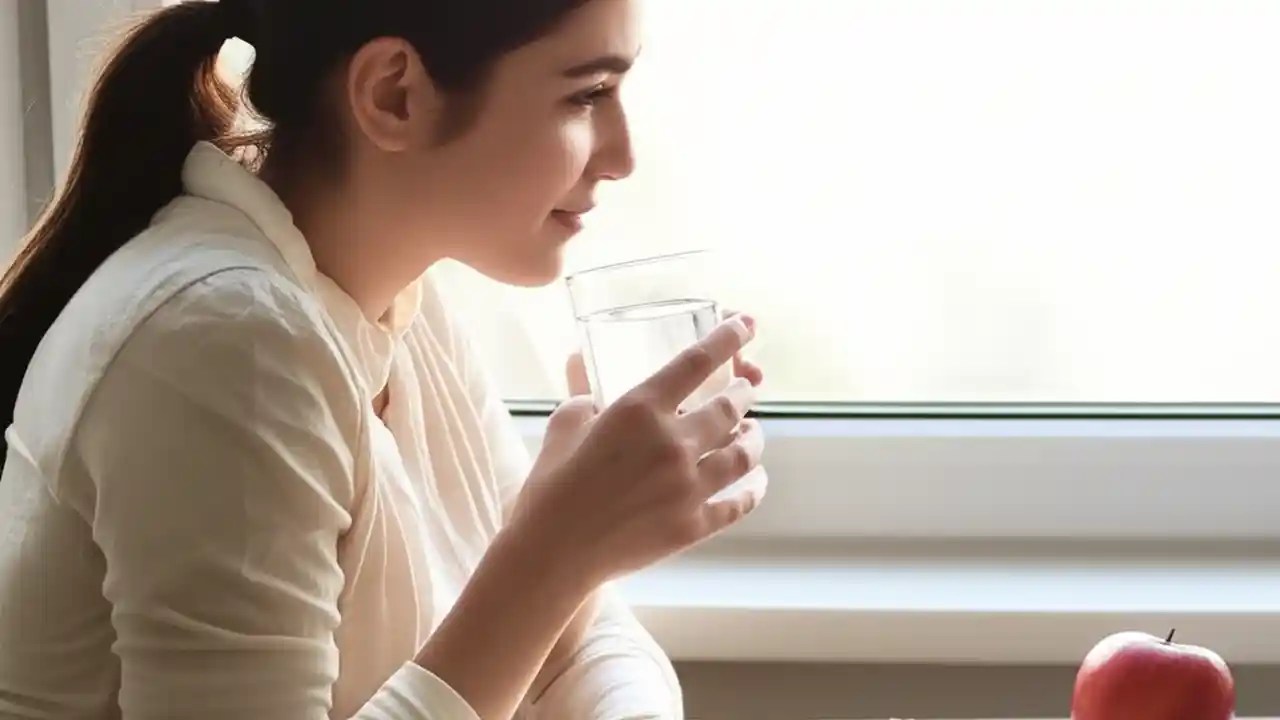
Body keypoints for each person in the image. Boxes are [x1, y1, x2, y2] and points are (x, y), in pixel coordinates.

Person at [0, 0, 769, 718]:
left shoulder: (403, 301)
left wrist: (572, 548)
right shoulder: (223, 345)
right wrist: (562, 549)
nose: (624, 156)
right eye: (586, 94)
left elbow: (584, 650)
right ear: (395, 94)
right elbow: (534, 615)